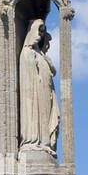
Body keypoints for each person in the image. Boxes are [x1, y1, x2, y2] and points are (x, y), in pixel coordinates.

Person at [19, 18, 60, 153]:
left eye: (42, 32)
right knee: (33, 116)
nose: (40, 35)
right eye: (39, 31)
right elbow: (27, 75)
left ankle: (44, 143)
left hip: (44, 93)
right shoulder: (27, 52)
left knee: (45, 118)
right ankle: (32, 141)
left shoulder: (41, 54)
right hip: (32, 93)